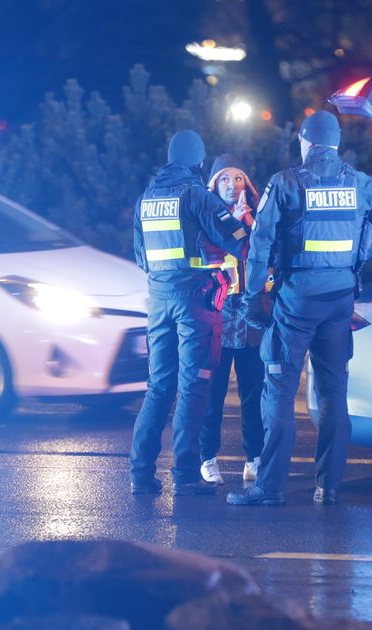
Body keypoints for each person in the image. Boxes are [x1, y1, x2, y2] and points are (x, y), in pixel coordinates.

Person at [227, 110, 372, 507]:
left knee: (279, 391)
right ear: (335, 144)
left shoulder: (286, 182)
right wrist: (357, 259)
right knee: (333, 394)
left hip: (296, 301)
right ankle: (329, 488)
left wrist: (254, 296)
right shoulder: (360, 184)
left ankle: (269, 489)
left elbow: (259, 245)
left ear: (306, 143)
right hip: (340, 300)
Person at [130, 130, 250, 497]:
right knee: (194, 384)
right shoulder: (195, 194)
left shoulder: (146, 199)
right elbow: (238, 241)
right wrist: (243, 223)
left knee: (158, 387)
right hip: (194, 301)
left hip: (159, 298)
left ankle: (141, 474)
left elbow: (140, 255)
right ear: (199, 163)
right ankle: (185, 474)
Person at [199, 154, 271, 485]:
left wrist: (249, 222)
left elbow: (270, 254)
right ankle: (207, 457)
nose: (232, 184)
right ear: (213, 185)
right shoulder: (205, 217)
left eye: (238, 178)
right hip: (217, 316)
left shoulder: (259, 218)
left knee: (253, 394)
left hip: (252, 318)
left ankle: (254, 457)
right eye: (225, 179)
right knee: (212, 394)